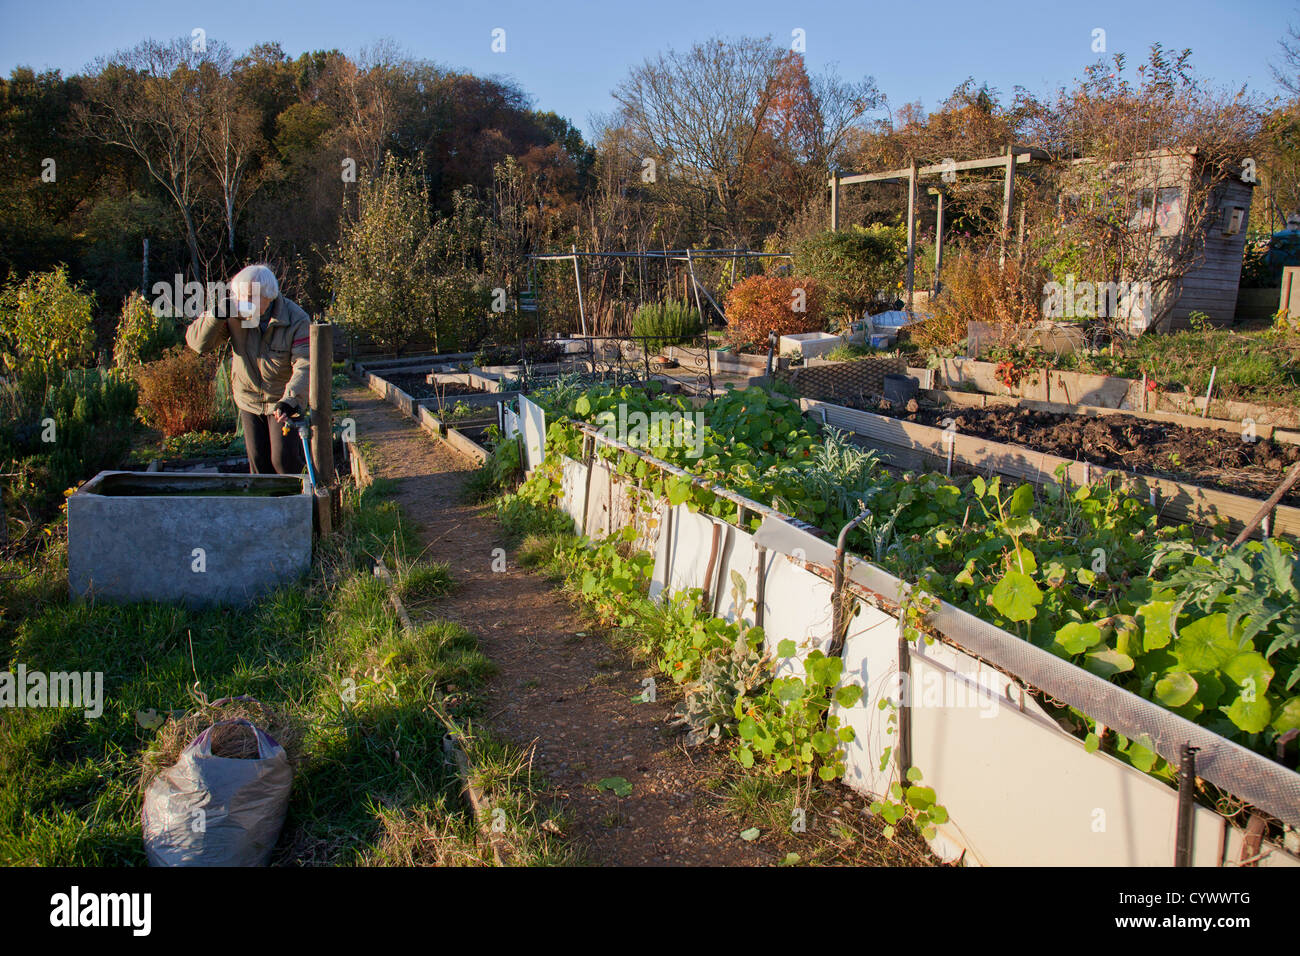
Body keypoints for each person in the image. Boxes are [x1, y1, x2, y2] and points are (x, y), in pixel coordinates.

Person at [185, 264, 312, 475]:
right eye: (239, 296)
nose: (243, 302)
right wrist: (216, 315)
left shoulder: (295, 319)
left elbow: (305, 364)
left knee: (283, 461)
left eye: (249, 297)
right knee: (259, 463)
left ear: (268, 296)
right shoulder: (233, 313)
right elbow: (198, 344)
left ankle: (299, 503)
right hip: (249, 398)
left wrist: (291, 399)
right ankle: (265, 506)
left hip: (282, 400)